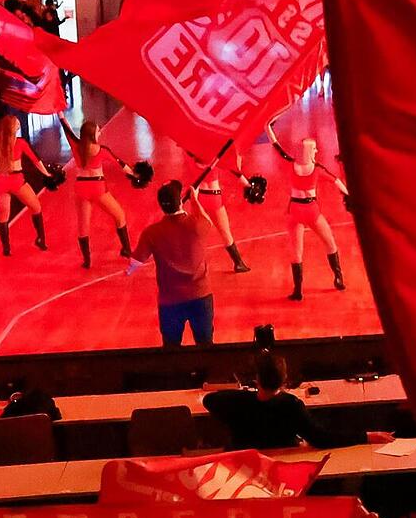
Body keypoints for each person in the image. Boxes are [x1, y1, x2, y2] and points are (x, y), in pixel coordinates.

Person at [203, 352, 379, 450]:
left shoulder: (237, 402)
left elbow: (209, 400)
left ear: (256, 379)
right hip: (282, 470)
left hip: (245, 470)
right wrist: (365, 436)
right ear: (284, 379)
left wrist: (242, 392)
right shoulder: (291, 405)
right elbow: (322, 439)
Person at [131, 180, 216, 347]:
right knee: (206, 346)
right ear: (180, 202)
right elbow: (208, 222)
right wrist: (195, 200)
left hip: (170, 300)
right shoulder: (196, 224)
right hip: (200, 296)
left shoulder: (152, 233)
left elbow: (136, 261)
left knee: (171, 349)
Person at [275, 135, 348, 301]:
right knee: (330, 243)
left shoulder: (291, 164)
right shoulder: (317, 169)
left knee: (296, 252)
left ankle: (298, 290)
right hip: (311, 210)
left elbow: (277, 147)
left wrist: (268, 128)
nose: (316, 150)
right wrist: (349, 195)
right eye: (314, 148)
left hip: (294, 210)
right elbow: (336, 181)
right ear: (309, 152)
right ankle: (338, 278)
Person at [67, 120, 134, 270]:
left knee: (83, 227)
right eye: (98, 131)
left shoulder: (76, 147)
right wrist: (135, 175)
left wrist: (60, 114)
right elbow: (121, 165)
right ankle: (127, 250)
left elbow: (67, 129)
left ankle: (87, 261)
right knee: (120, 216)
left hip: (80, 188)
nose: (100, 133)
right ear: (92, 135)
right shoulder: (101, 150)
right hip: (98, 188)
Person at [0, 113, 53, 255]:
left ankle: (6, 248)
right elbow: (36, 160)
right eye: (16, 122)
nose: (19, 123)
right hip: (16, 181)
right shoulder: (20, 143)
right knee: (36, 207)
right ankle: (40, 240)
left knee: (3, 215)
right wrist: (47, 174)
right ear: (13, 127)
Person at [192, 155, 252, 274]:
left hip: (198, 197)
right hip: (214, 197)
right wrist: (247, 185)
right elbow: (233, 168)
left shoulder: (191, 155)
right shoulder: (215, 155)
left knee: (197, 235)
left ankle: (194, 266)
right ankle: (238, 263)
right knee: (225, 232)